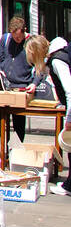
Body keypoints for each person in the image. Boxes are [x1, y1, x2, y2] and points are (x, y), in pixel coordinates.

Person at [0, 13, 32, 142]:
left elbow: (39, 67)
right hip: (4, 86)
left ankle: (18, 149)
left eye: (19, 37)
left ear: (24, 31)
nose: (17, 40)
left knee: (19, 123)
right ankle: (1, 151)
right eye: (14, 37)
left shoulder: (31, 42)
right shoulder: (5, 39)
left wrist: (34, 83)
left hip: (21, 87)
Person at [46, 37, 71, 193]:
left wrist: (69, 118)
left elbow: (69, 90)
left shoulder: (57, 61)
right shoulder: (63, 55)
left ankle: (69, 186)